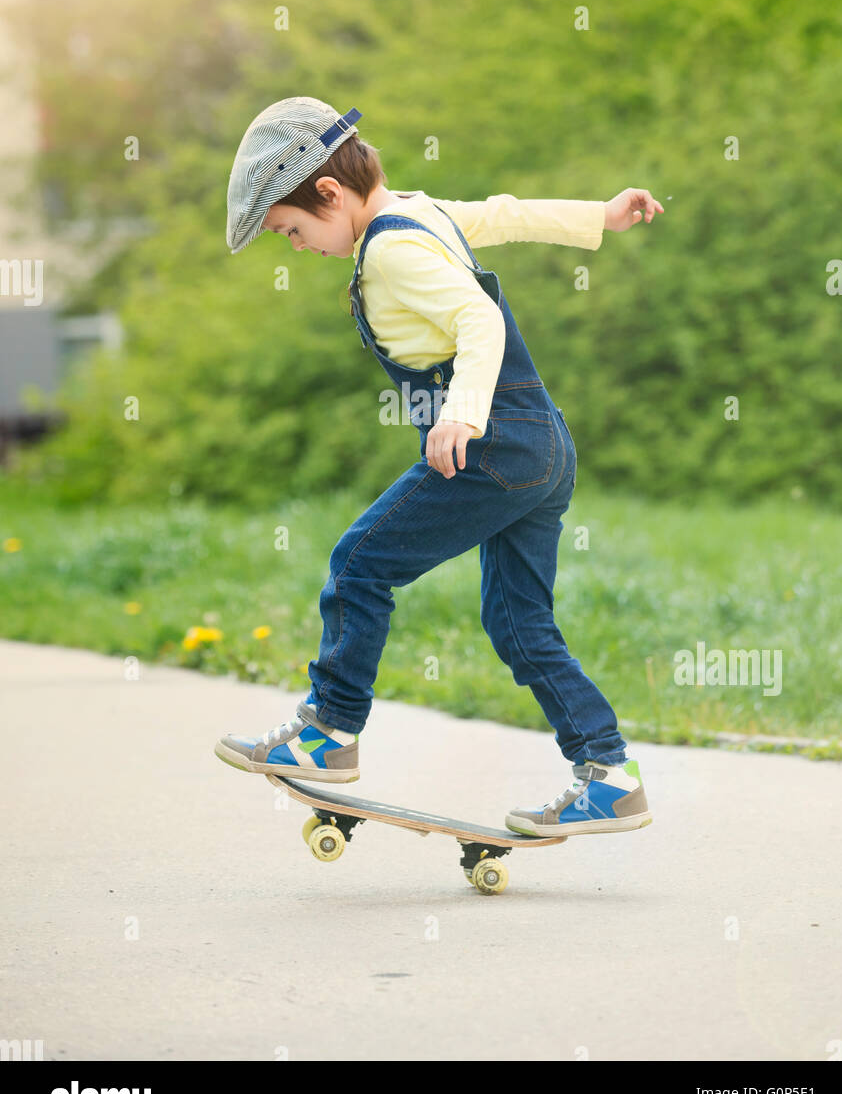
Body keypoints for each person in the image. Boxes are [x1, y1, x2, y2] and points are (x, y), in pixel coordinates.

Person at [215, 96, 663, 836]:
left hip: (495, 448)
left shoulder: (390, 250)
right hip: (543, 449)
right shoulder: (418, 212)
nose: (295, 247)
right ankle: (609, 775)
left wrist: (460, 414)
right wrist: (599, 217)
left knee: (360, 563)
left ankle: (328, 732)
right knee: (520, 623)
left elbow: (477, 319)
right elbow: (506, 214)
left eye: (292, 230)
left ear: (329, 193)